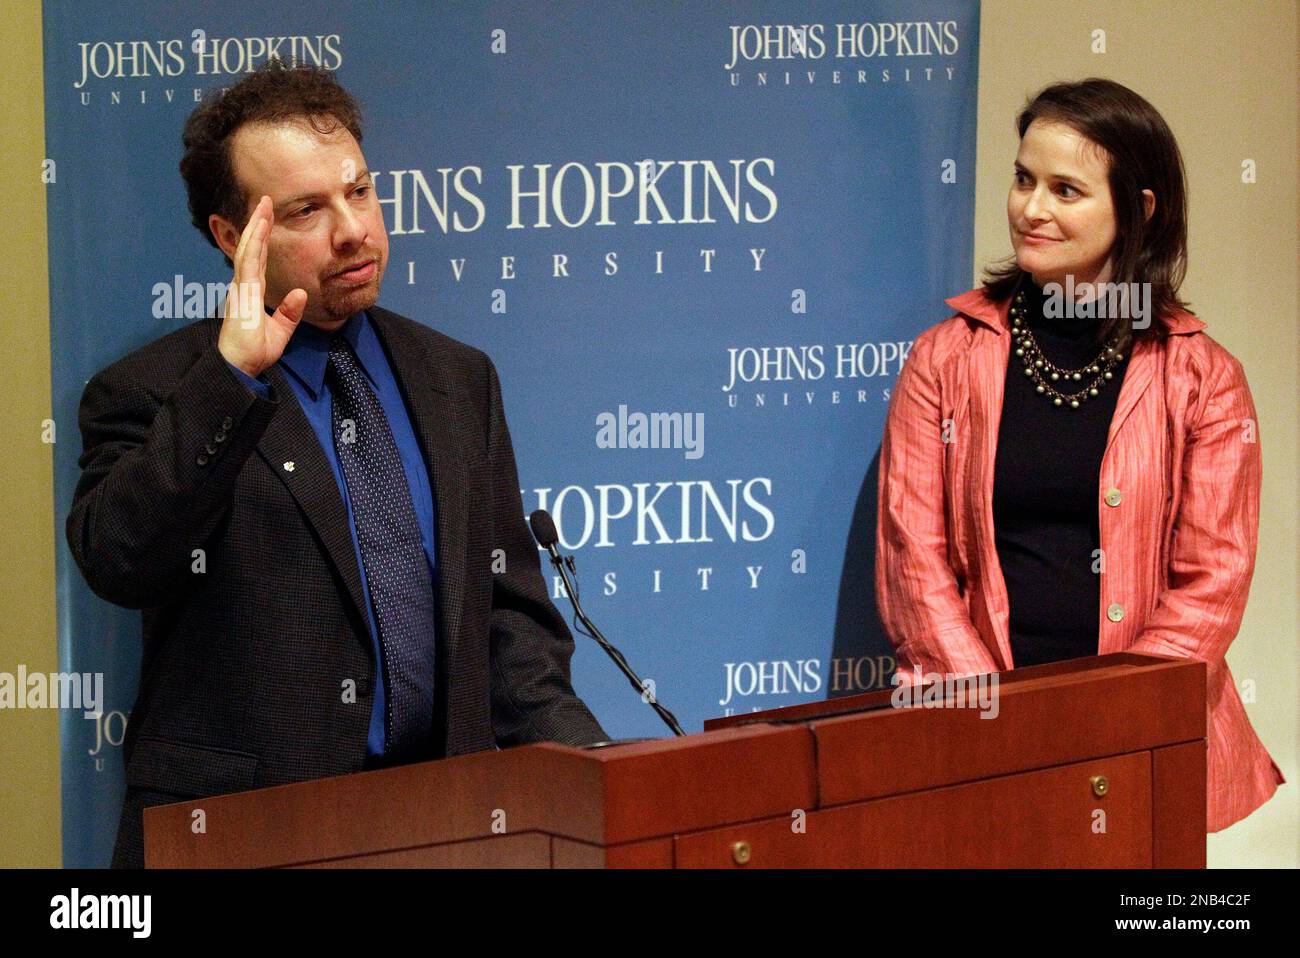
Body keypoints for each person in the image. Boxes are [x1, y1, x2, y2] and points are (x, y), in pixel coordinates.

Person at [66, 61, 607, 869]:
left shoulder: (457, 379)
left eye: (358, 191)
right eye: (306, 210)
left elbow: (508, 622)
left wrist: (596, 770)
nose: (352, 229)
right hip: (246, 840)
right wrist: (231, 381)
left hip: (444, 830)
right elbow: (120, 559)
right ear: (229, 236)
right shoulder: (151, 392)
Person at [875, 78, 1283, 832]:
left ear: (1141, 209)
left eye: (1067, 190)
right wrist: (996, 719)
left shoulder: (1205, 378)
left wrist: (1098, 726)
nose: (1032, 209)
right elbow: (913, 559)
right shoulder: (944, 358)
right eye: (1024, 179)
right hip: (973, 742)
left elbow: (1212, 585)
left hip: (1137, 750)